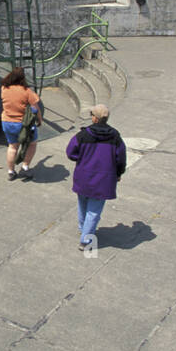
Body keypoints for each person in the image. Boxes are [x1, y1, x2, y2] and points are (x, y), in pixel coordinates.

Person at [65, 104, 126, 251]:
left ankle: (83, 229)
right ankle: (86, 239)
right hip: (104, 179)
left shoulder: (83, 135)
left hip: (83, 176)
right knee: (94, 209)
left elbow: (70, 152)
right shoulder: (115, 136)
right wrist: (119, 173)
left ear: (94, 118)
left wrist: (80, 158)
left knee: (82, 204)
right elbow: (121, 158)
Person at [0, 66, 41, 180]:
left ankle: (11, 171)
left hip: (7, 122)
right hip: (22, 124)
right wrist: (40, 120)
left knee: (12, 147)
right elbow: (36, 108)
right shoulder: (27, 92)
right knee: (32, 144)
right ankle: (25, 167)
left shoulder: (4, 88)